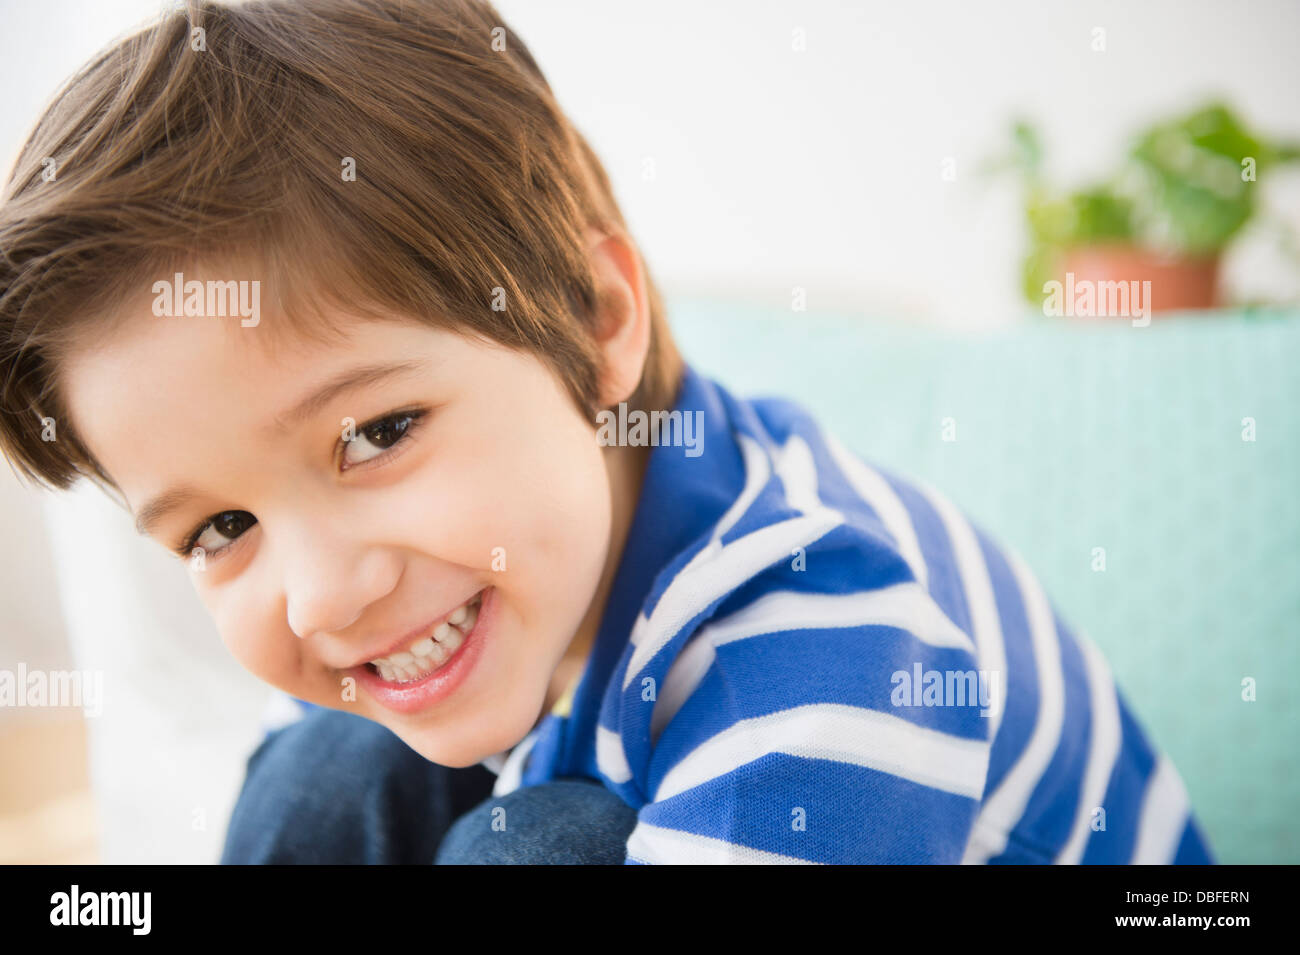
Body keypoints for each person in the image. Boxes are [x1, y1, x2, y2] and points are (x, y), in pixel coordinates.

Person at [0, 0, 1213, 864]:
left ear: (595, 325)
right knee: (340, 756)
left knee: (547, 843)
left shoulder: (831, 654)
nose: (322, 598)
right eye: (223, 525)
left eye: (376, 433)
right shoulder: (461, 588)